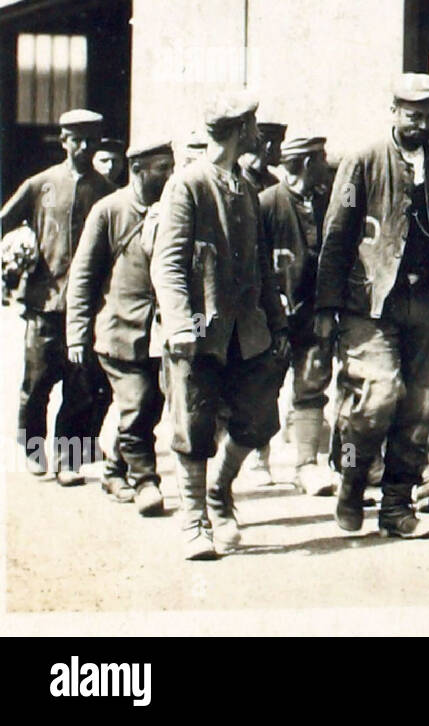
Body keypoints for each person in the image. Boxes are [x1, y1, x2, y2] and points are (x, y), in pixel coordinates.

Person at [315, 73, 429, 538]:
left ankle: (396, 506)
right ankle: (352, 482)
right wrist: (326, 306)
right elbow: (336, 238)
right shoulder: (362, 161)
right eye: (413, 116)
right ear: (393, 112)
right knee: (378, 397)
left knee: (421, 409)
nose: (422, 125)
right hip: (370, 303)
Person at [152, 92, 290, 560]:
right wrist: (178, 326)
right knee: (193, 422)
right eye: (253, 124)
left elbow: (263, 269)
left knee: (258, 420)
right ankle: (194, 520)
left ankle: (219, 489)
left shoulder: (245, 188)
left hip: (245, 331)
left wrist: (277, 324)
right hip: (196, 331)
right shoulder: (187, 184)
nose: (259, 132)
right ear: (239, 129)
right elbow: (167, 264)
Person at [1, 109, 115, 483]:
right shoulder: (41, 185)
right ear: (63, 141)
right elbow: (5, 221)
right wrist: (15, 253)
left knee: (82, 386)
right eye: (76, 139)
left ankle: (70, 460)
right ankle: (34, 448)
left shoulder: (106, 193)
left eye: (91, 140)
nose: (84, 147)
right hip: (44, 304)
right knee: (36, 383)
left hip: (88, 307)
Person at [66, 139, 174, 515]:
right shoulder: (108, 211)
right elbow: (82, 276)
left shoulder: (174, 210)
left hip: (161, 336)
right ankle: (147, 482)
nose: (169, 174)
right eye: (162, 167)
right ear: (138, 168)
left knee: (151, 407)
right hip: (118, 333)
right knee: (137, 401)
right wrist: (77, 333)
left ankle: (114, 469)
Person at [260, 135, 335, 497]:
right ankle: (259, 457)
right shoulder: (267, 204)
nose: (326, 162)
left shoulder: (328, 201)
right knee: (262, 389)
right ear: (306, 163)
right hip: (273, 317)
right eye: (321, 157)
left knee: (311, 386)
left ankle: (306, 464)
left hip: (314, 313)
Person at [240, 120, 287, 485]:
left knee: (266, 378)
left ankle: (260, 457)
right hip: (235, 296)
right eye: (273, 143)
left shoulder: (275, 187)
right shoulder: (234, 181)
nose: (277, 151)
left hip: (266, 291)